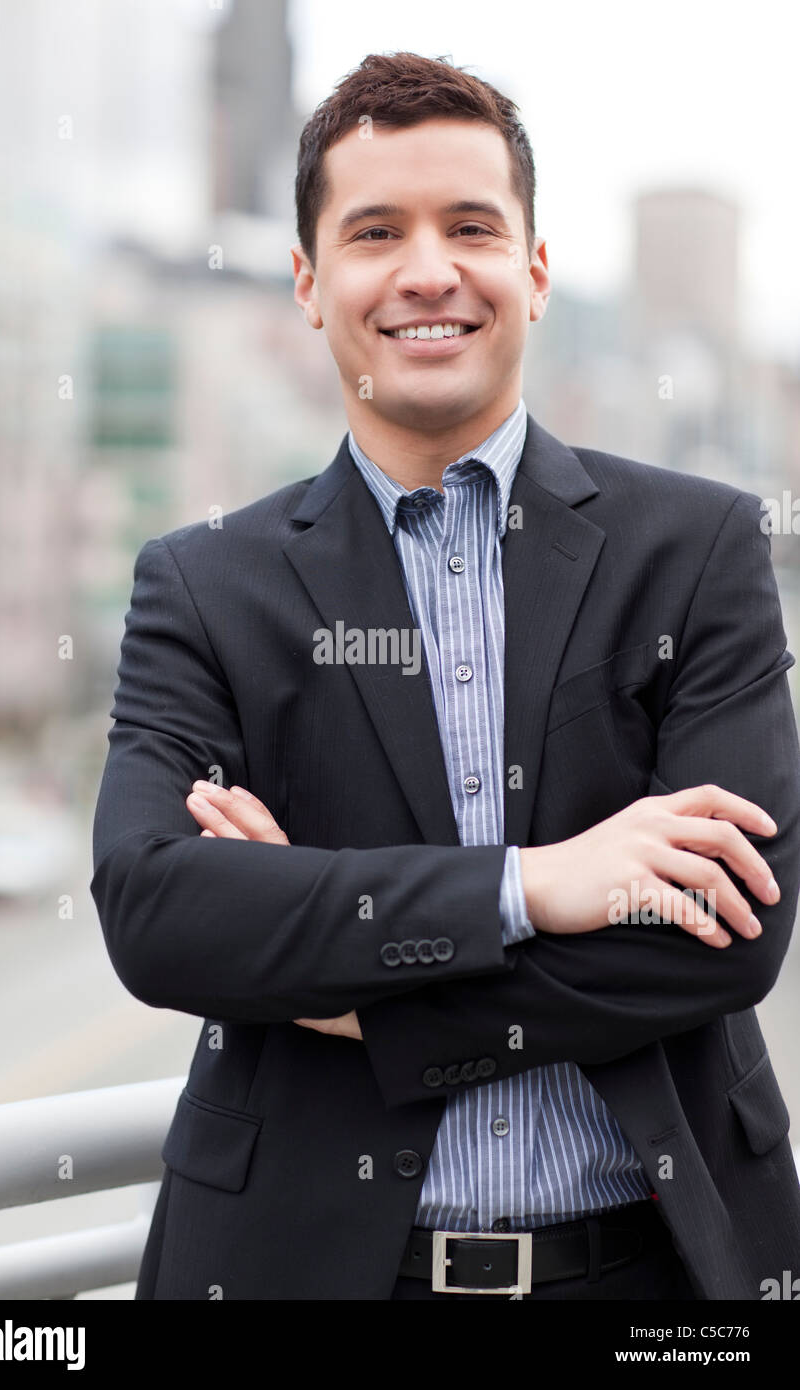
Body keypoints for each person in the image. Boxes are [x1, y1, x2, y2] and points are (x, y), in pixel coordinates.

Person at [91, 51, 800, 1300]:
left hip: (656, 1277)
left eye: (470, 225)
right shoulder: (203, 584)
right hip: (307, 1272)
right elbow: (158, 913)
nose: (428, 270)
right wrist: (537, 885)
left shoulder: (696, 550)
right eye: (375, 232)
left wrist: (360, 995)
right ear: (308, 284)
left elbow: (725, 934)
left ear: (532, 269)